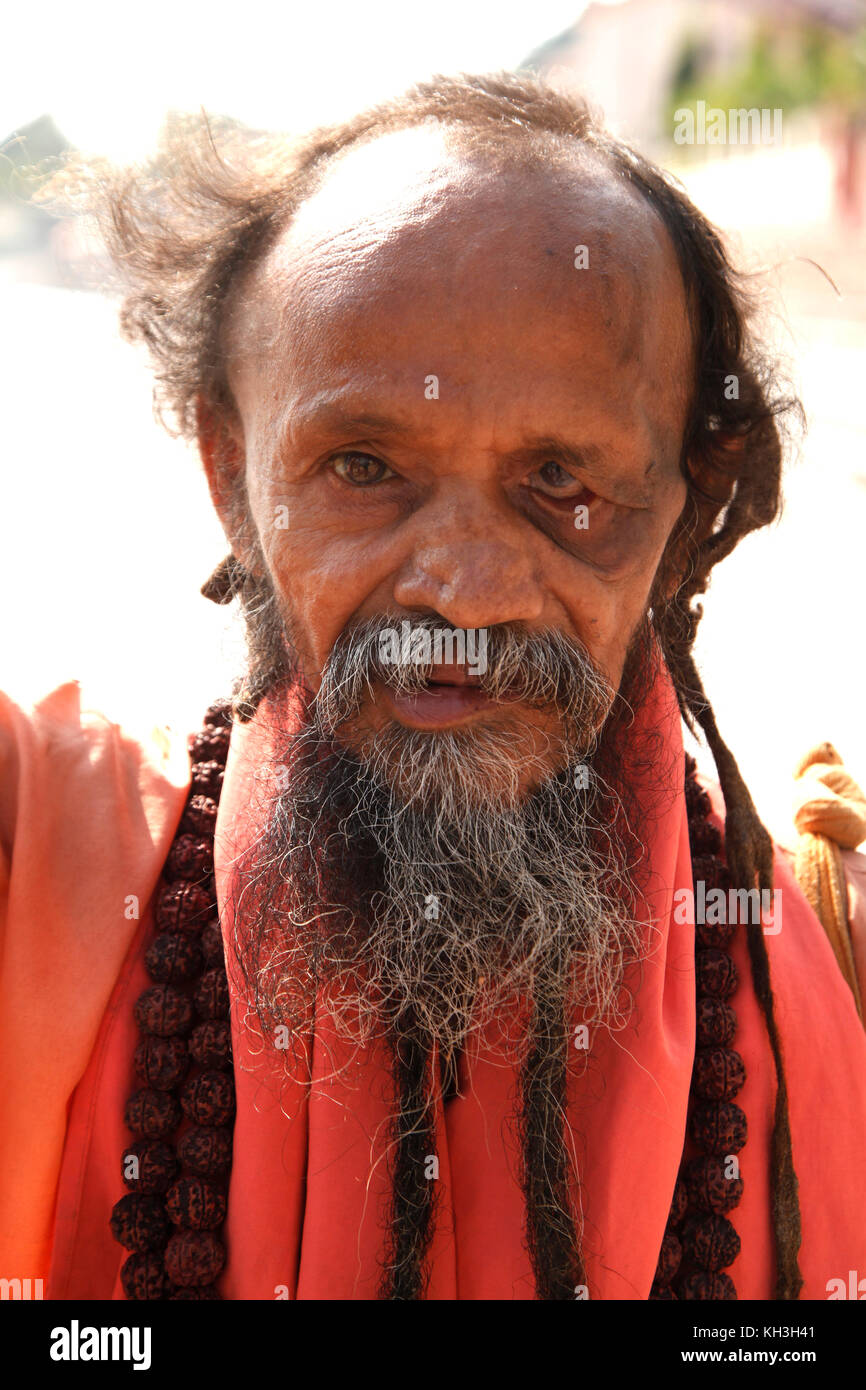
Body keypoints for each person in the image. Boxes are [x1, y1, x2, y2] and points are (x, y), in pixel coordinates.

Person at [2, 72, 865, 1302]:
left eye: (562, 479)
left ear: (681, 508)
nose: (460, 590)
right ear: (231, 477)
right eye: (363, 466)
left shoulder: (830, 966)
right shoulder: (45, 861)